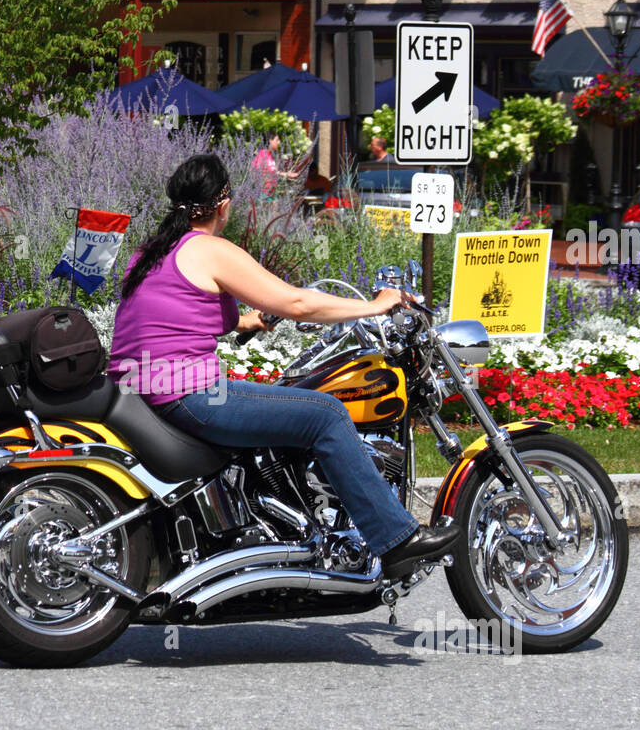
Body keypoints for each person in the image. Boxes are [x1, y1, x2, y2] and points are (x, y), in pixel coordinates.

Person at [108, 153, 460, 577]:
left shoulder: (153, 251)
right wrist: (374, 306)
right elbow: (296, 303)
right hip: (187, 394)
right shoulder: (211, 250)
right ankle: (397, 539)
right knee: (326, 413)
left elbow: (175, 314)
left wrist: (245, 320)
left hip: (143, 389)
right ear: (223, 203)